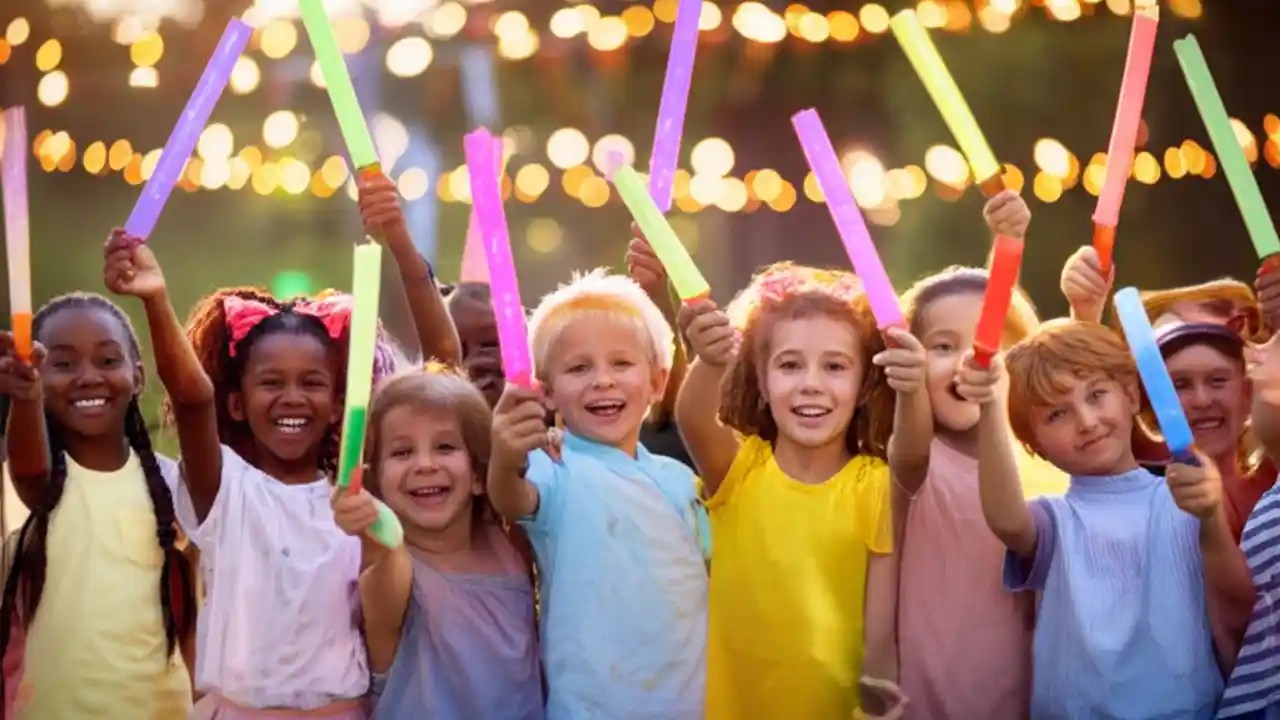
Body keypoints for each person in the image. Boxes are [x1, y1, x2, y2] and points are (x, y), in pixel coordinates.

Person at [102, 231, 369, 718]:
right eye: (271, 383)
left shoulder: (357, 502)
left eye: (312, 383)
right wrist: (157, 300)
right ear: (237, 404)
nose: (292, 397)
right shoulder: (227, 490)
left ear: (337, 406)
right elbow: (191, 399)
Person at [960, 318, 1254, 717]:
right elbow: (1008, 522)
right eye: (1056, 415)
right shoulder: (1055, 520)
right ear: (1035, 447)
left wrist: (1212, 516)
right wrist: (989, 406)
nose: (1087, 421)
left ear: (1131, 395)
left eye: (1097, 394)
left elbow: (1240, 608)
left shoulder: (1190, 497)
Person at [677, 262, 898, 719]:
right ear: (761, 380)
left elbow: (880, 632)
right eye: (790, 365)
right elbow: (694, 418)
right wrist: (710, 358)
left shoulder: (876, 484)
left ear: (862, 387)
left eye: (835, 367)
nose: (811, 384)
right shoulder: (740, 471)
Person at [488, 269, 707, 718]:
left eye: (621, 364)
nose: (602, 381)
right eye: (579, 368)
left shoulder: (683, 480)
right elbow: (510, 497)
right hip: (590, 706)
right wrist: (505, 455)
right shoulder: (553, 465)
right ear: (546, 393)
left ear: (658, 383)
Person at [883, 191, 1065, 720]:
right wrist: (911, 389)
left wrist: (1009, 246)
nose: (971, 359)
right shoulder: (915, 468)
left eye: (990, 345)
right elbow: (908, 448)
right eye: (941, 346)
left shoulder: (1048, 471)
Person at [0, 291, 196, 719]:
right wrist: (26, 398)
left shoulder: (170, 485)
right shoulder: (31, 482)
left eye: (108, 361)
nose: (87, 377)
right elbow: (30, 473)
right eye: (63, 364)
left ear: (138, 377)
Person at [332, 367, 542, 719]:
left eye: (445, 447)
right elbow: (387, 559)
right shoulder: (391, 568)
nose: (425, 464)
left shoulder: (507, 544)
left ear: (477, 474)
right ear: (376, 482)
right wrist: (367, 520)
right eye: (401, 452)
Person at [1063, 251, 1275, 539]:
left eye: (1217, 380)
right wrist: (1084, 314)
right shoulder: (1146, 487)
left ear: (1247, 390)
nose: (1202, 400)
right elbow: (1100, 417)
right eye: (1179, 385)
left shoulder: (1272, 472)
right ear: (1148, 401)